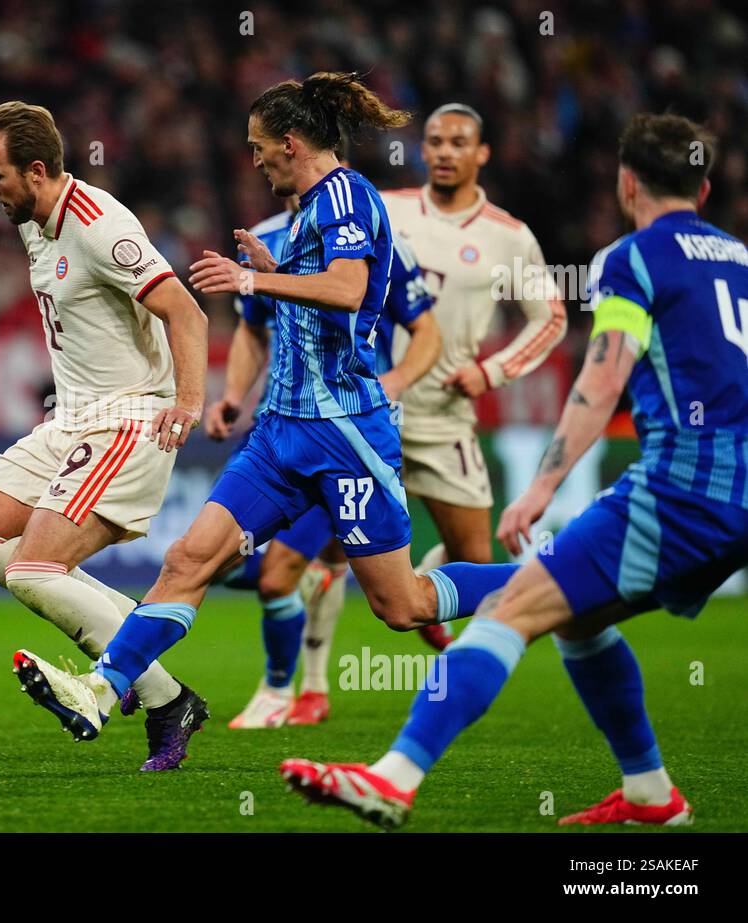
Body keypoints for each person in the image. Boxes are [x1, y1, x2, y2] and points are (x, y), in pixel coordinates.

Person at [10, 73, 519, 746]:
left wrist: (253, 278)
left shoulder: (346, 195)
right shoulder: (310, 211)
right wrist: (275, 269)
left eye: (258, 147)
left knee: (404, 605)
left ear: (290, 143)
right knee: (189, 560)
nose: (253, 161)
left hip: (344, 433)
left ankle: (549, 578)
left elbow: (349, 289)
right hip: (279, 434)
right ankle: (99, 692)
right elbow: (317, 302)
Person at [281, 113, 746, 828]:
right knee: (577, 617)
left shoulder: (631, 258)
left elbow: (602, 378)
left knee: (508, 609)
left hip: (684, 484)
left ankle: (392, 778)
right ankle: (650, 792)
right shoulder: (740, 259)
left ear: (626, 184)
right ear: (705, 189)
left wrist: (541, 488)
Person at [0, 101, 211, 772]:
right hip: (69, 419)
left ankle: (132, 688)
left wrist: (187, 402)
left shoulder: (99, 227)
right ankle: (154, 676)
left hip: (128, 419)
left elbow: (186, 312)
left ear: (37, 171)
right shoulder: (35, 221)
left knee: (34, 570)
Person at [209, 198, 445, 728]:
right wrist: (233, 395)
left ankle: (282, 689)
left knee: (286, 577)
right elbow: (252, 329)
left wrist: (394, 382)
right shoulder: (266, 236)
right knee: (242, 565)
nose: (265, 163)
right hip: (283, 430)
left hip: (350, 434)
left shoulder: (374, 238)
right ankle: (310, 686)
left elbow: (428, 332)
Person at [382, 104, 566, 570]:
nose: (446, 153)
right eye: (436, 142)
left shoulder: (508, 237)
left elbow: (550, 317)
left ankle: (425, 585)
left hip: (442, 416)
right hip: (370, 405)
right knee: (321, 546)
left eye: (459, 143)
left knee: (474, 562)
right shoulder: (386, 208)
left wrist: (492, 372)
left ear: (482, 153)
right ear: (423, 151)